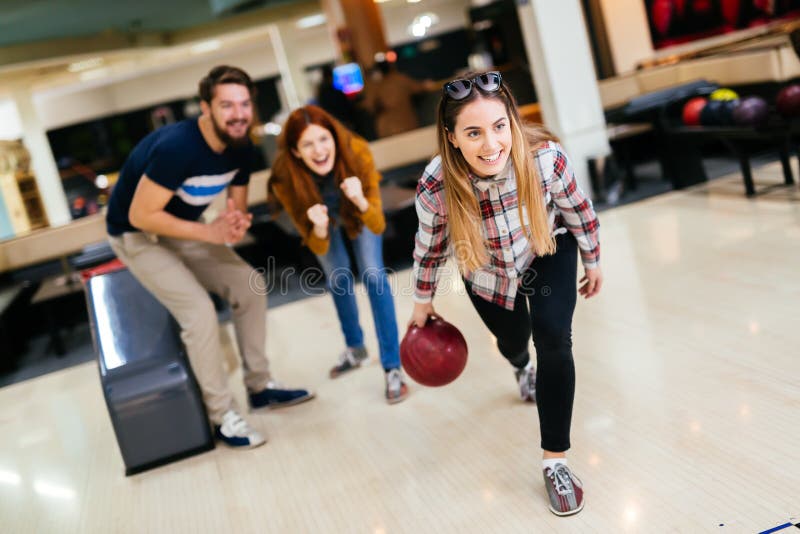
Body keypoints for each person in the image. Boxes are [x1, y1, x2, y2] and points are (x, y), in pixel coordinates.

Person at [408, 71, 602, 516]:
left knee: (553, 336)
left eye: (498, 126)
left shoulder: (545, 160)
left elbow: (578, 210)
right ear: (452, 137)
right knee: (514, 340)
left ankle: (555, 461)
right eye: (473, 132)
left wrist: (592, 259)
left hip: (545, 247)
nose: (490, 143)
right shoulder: (436, 186)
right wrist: (423, 301)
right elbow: (429, 246)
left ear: (512, 121)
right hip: (485, 271)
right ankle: (519, 365)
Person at [105, 65, 314, 450]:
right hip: (137, 235)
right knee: (199, 312)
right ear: (206, 109)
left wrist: (233, 223)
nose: (238, 114)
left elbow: (235, 205)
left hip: (184, 227)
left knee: (249, 286)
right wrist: (210, 232)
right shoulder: (176, 148)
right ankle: (222, 417)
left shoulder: (243, 146)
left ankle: (260, 386)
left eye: (245, 104)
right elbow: (141, 216)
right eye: (227, 105)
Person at [268, 105, 408, 404]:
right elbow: (316, 246)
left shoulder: (357, 152)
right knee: (337, 276)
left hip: (356, 207)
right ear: (295, 152)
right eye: (307, 144)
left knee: (373, 274)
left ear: (334, 138)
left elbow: (377, 223)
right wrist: (318, 228)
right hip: (321, 215)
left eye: (323, 140)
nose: (318, 151)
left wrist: (358, 199)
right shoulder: (286, 178)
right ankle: (355, 349)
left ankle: (393, 367)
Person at [362, 60, 437, 138]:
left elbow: (368, 105)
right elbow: (420, 87)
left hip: (385, 130)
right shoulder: (399, 79)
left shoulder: (374, 86)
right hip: (406, 126)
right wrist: (427, 85)